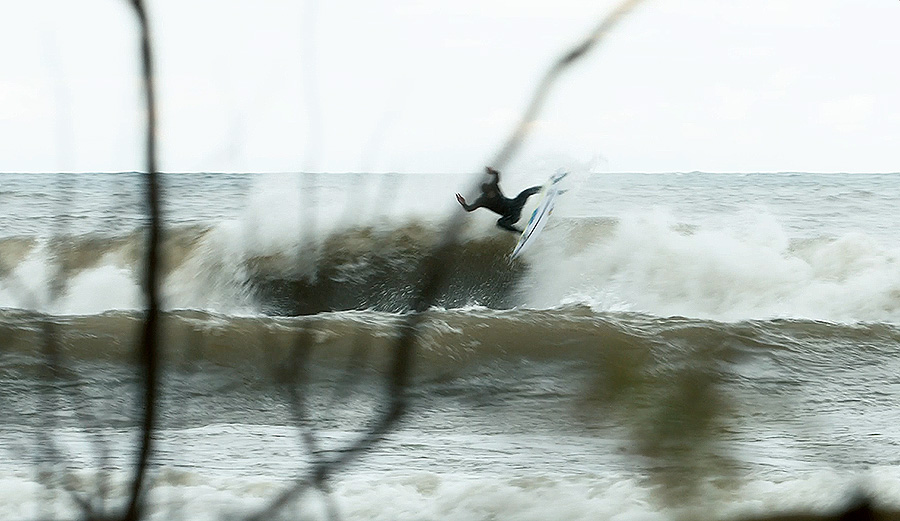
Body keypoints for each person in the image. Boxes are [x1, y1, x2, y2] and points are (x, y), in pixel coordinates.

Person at [455, 167, 542, 233]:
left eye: (491, 192)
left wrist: (492, 172)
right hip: (510, 217)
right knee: (500, 223)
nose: (491, 194)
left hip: (515, 205)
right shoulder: (482, 200)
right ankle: (522, 232)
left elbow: (497, 175)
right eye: (489, 194)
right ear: (485, 194)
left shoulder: (493, 186)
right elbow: (469, 208)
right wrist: (463, 203)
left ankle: (546, 188)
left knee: (525, 192)